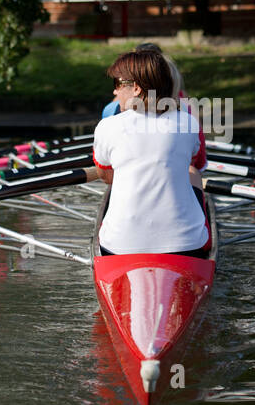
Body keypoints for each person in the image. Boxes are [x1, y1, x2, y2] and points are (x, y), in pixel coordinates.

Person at [84, 50, 210, 257]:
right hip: (188, 246)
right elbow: (193, 162)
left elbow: (108, 178)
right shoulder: (188, 122)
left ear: (135, 88)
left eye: (117, 84)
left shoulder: (107, 126)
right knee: (193, 174)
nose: (115, 93)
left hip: (119, 247)